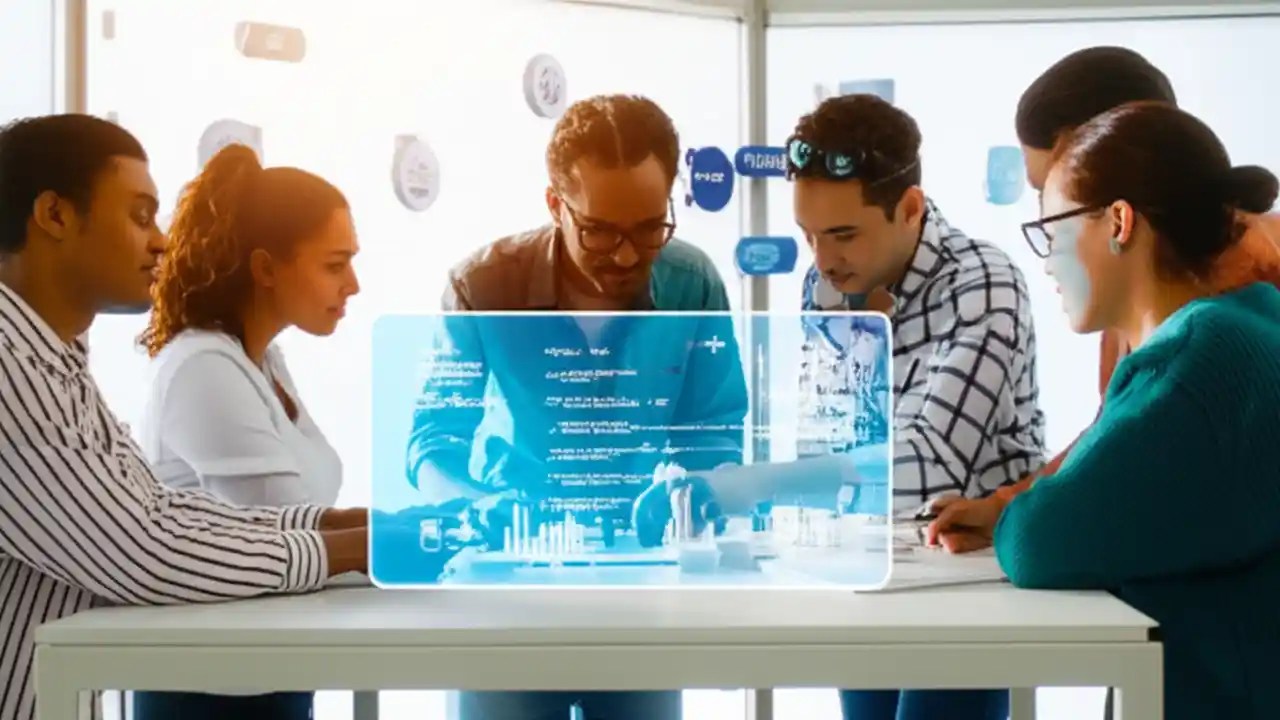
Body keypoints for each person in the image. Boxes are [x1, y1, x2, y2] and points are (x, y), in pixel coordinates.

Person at [0, 113, 367, 720]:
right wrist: (352, 549)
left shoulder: (53, 363)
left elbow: (156, 511)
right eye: (140, 216)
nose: (161, 240)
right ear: (56, 215)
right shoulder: (13, 369)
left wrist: (336, 525)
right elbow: (145, 549)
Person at [402, 94, 746, 720]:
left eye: (649, 230)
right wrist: (477, 510)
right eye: (600, 231)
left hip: (646, 585)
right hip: (509, 588)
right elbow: (432, 444)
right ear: (555, 204)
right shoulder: (481, 286)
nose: (625, 255)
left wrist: (697, 487)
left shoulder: (693, 282)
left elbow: (716, 430)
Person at [927, 46, 1280, 554]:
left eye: (1057, 193)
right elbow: (1115, 444)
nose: (1051, 236)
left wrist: (1023, 515)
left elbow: (1056, 527)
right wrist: (1008, 503)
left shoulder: (1214, 329)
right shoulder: (1158, 296)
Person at [993, 100, 1280, 720]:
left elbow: (1038, 540)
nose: (1047, 262)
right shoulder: (1242, 324)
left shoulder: (1201, 355)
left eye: (1055, 229)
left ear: (1119, 222)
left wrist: (1013, 511)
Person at [785, 94, 1045, 720]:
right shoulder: (827, 288)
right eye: (809, 235)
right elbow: (821, 437)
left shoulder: (985, 281)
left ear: (909, 209)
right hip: (870, 564)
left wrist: (771, 484)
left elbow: (935, 465)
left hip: (969, 579)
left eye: (843, 234)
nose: (821, 259)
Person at [128, 144, 360, 718]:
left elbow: (308, 520)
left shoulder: (262, 359)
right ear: (264, 269)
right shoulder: (203, 366)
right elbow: (283, 525)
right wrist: (397, 541)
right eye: (335, 264)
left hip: (268, 667)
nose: (352, 284)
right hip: (209, 687)